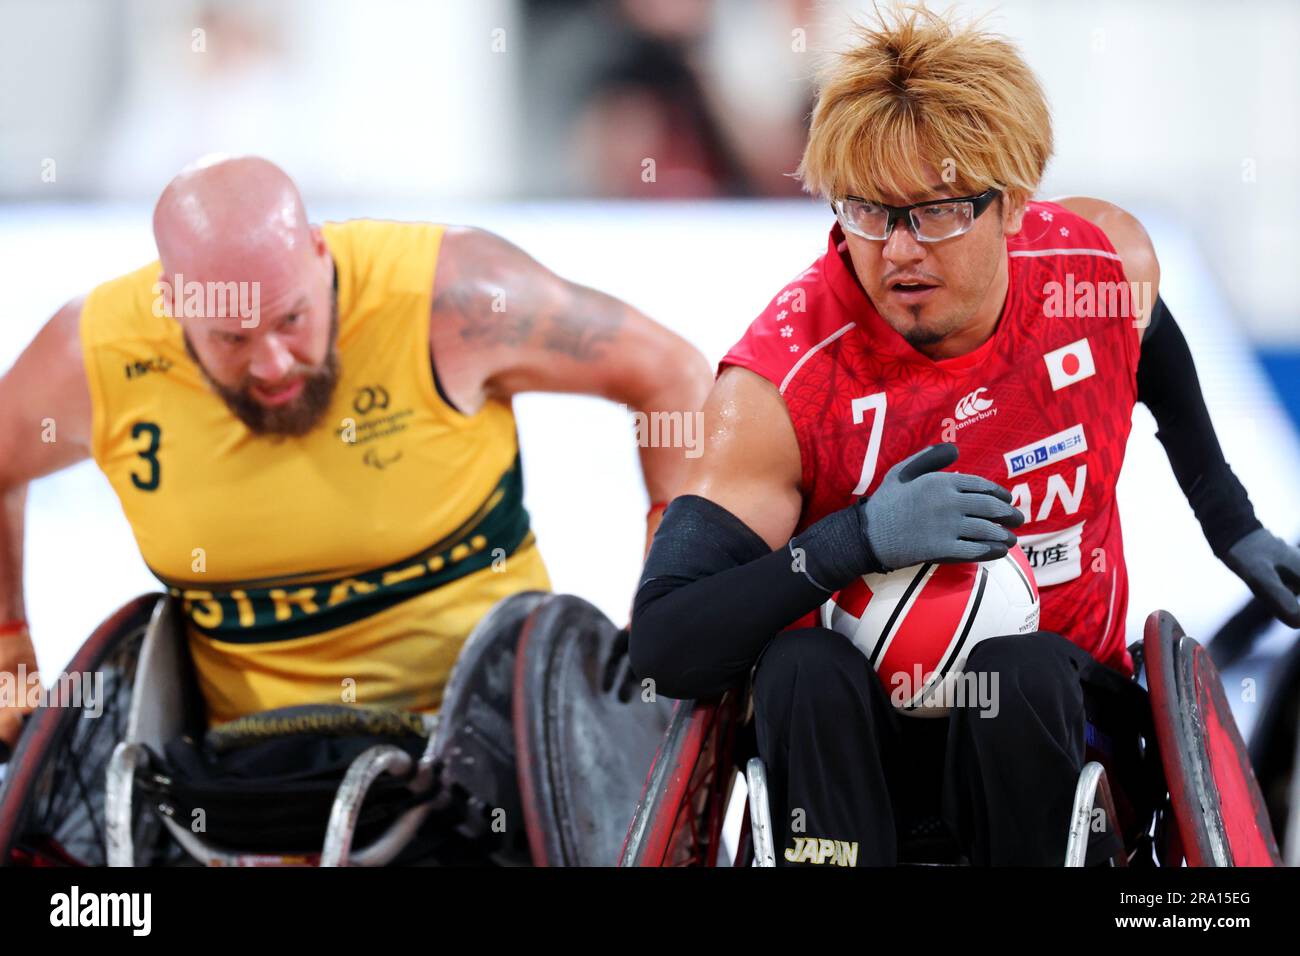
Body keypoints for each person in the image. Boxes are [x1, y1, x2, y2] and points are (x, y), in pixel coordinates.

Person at [629, 4, 1300, 866]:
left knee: (1015, 675)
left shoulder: (1098, 268)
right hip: (859, 755)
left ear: (1014, 203)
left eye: (937, 212)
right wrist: (852, 540)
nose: (898, 250)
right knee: (801, 674)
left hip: (1064, 724)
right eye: (867, 212)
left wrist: (1229, 521)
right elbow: (666, 646)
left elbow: (1154, 344)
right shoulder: (780, 383)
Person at [0, 155, 711, 755]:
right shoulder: (97, 354)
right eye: (232, 339)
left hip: (495, 744)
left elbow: (672, 374)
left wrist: (666, 589)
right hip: (249, 771)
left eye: (291, 319)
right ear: (170, 301)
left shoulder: (451, 297)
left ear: (319, 251)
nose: (273, 363)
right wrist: (10, 646)